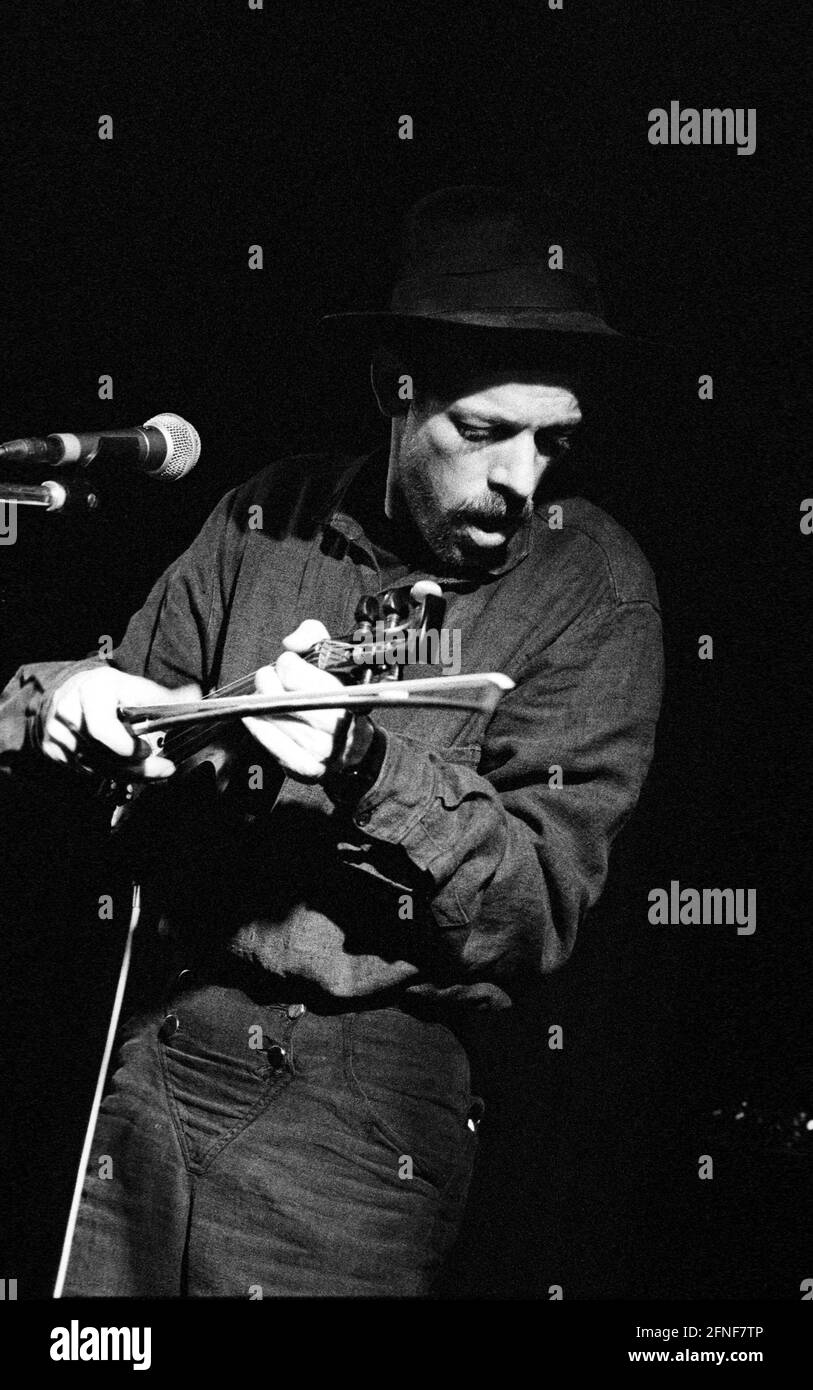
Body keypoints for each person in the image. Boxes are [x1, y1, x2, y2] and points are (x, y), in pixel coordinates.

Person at [0, 185, 664, 1296]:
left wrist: (360, 761)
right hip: (158, 1034)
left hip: (361, 1100)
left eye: (554, 441)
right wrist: (65, 698)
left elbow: (538, 907)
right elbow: (121, 712)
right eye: (484, 432)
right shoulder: (268, 513)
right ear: (391, 393)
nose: (521, 479)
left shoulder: (596, 590)